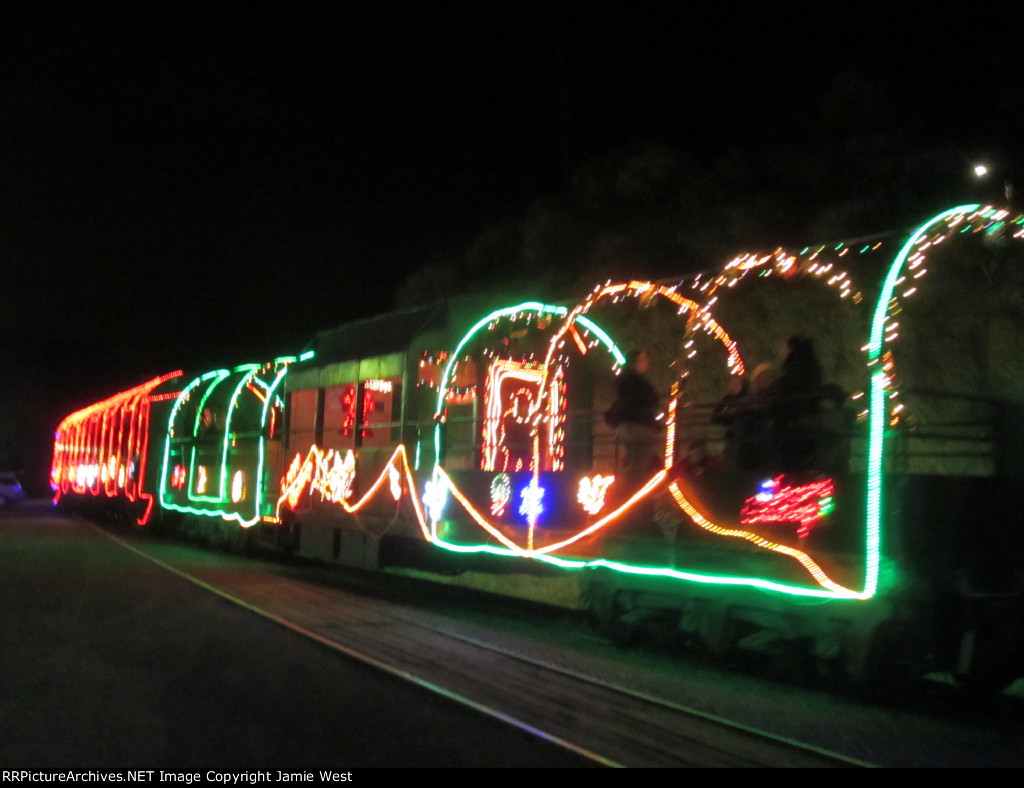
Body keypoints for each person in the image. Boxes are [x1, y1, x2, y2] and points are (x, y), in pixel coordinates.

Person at [606, 349, 662, 479]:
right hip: (638, 426)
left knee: (637, 462)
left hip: (631, 426)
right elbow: (642, 403)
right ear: (635, 363)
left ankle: (626, 484)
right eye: (643, 360)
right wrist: (655, 423)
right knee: (641, 464)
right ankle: (629, 486)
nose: (646, 362)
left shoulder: (625, 382)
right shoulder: (636, 382)